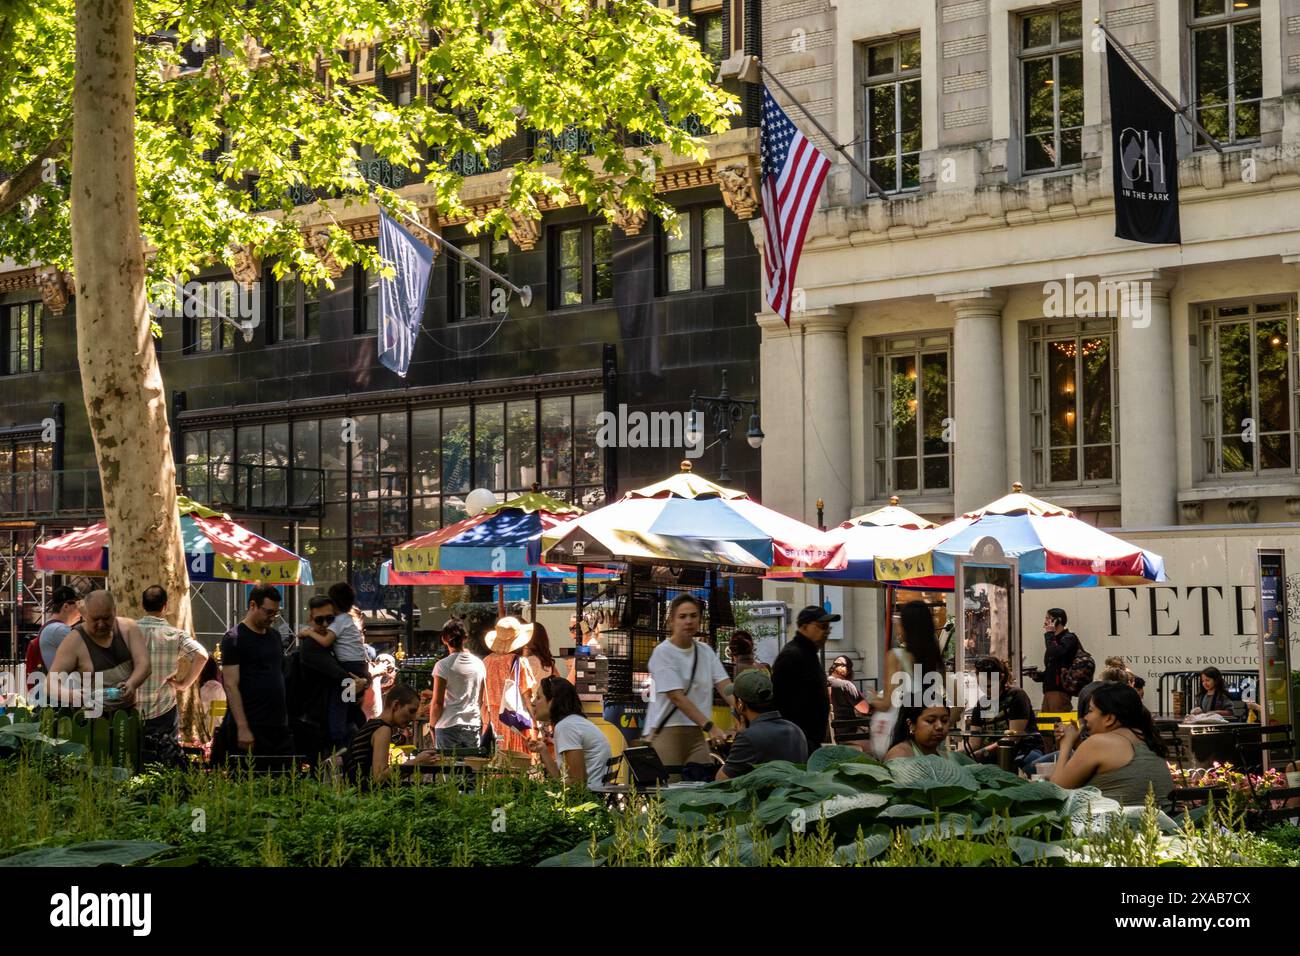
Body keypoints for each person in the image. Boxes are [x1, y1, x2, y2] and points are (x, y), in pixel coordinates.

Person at [644, 594, 735, 776]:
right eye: (682, 616)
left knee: (703, 792)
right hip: (668, 733)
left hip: (696, 735)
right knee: (669, 794)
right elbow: (677, 697)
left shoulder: (705, 651)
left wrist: (741, 711)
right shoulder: (663, 652)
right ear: (671, 621)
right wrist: (711, 727)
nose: (689, 621)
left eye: (693, 616)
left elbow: (725, 686)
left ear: (700, 620)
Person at [1050, 683, 1173, 807]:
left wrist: (1066, 743)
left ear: (1109, 719)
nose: (1086, 717)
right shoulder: (1147, 737)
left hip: (1120, 824)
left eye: (1091, 711)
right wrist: (1077, 744)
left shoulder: (1098, 743)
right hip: (1159, 823)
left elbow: (1054, 793)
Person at [214, 585, 292, 764]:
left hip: (277, 724)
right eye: (268, 612)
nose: (272, 617)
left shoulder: (274, 636)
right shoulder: (234, 639)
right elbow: (230, 685)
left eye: (276, 613)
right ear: (252, 605)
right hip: (251, 724)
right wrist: (242, 727)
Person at [293, 595, 368, 766]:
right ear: (310, 620)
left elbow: (359, 670)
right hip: (322, 728)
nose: (326, 624)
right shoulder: (311, 646)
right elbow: (340, 675)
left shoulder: (337, 640)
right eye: (320, 620)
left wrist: (362, 684)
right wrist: (359, 683)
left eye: (330, 619)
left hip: (345, 719)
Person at [47, 590, 150, 715]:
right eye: (95, 619)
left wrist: (132, 683)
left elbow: (144, 664)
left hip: (128, 717)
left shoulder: (129, 628)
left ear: (114, 611)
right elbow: (50, 683)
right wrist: (70, 695)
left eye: (106, 618)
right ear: (85, 615)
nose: (101, 624)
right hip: (92, 720)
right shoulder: (74, 641)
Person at [868, 600, 945, 757]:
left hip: (903, 731)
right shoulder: (935, 660)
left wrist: (873, 698)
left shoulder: (896, 656)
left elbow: (887, 704)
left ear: (907, 627)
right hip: (930, 728)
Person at [135, 585, 209, 746]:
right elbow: (202, 655)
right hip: (163, 709)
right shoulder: (176, 635)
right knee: (164, 759)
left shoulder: (128, 631)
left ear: (142, 605)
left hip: (131, 708)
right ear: (165, 606)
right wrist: (184, 684)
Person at [717, 669, 808, 779]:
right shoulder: (796, 730)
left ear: (740, 704)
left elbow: (721, 779)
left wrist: (739, 736)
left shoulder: (748, 737)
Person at [771, 605, 839, 752]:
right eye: (822, 626)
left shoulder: (807, 654)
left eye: (828, 627)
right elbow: (780, 701)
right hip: (797, 742)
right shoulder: (792, 656)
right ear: (804, 627)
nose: (826, 632)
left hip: (806, 741)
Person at [342, 684, 438, 786]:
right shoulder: (383, 729)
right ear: (396, 705)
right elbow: (380, 777)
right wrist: (417, 762)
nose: (414, 718)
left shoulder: (373, 724)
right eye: (411, 711)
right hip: (361, 797)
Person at [528, 675, 612, 790]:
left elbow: (577, 781)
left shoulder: (566, 726)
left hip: (587, 798)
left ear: (552, 701)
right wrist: (543, 750)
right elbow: (560, 778)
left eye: (538, 697)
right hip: (591, 794)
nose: (532, 703)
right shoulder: (572, 722)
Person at [966, 657, 1042, 769]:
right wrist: (954, 755)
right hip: (992, 755)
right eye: (980, 685)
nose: (984, 690)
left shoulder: (1017, 696)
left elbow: (1013, 738)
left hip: (1024, 750)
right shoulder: (982, 704)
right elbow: (973, 744)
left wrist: (983, 752)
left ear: (1001, 677)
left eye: (988, 686)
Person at [429, 619, 488, 750]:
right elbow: (481, 700)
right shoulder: (480, 664)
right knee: (470, 768)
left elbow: (437, 703)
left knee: (448, 768)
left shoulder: (443, 665)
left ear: (444, 639)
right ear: (465, 638)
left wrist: (432, 724)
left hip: (447, 724)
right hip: (472, 723)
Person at [483, 616, 537, 756]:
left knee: (495, 760)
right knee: (517, 762)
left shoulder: (485, 662)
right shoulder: (519, 662)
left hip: (491, 719)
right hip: (513, 720)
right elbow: (527, 699)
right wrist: (536, 725)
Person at [1036, 608, 1080, 713]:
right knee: (1046, 726)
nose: (1045, 622)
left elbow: (1055, 652)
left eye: (1048, 618)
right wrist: (1039, 675)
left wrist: (1049, 634)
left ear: (1058, 620)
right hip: (1049, 690)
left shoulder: (1068, 638)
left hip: (1059, 691)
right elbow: (1053, 667)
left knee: (1057, 725)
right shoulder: (1054, 640)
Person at [885, 704, 954, 761]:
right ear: (911, 725)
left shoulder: (949, 757)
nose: (940, 726)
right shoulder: (900, 756)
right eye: (930, 720)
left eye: (944, 720)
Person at [38, 585, 81, 671]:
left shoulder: (50, 628)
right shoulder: (58, 630)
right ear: (66, 607)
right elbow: (91, 650)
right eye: (77, 605)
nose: (79, 611)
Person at [827, 655, 870, 722]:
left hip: (826, 731)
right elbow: (865, 709)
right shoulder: (846, 685)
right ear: (848, 671)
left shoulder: (822, 683)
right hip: (847, 730)